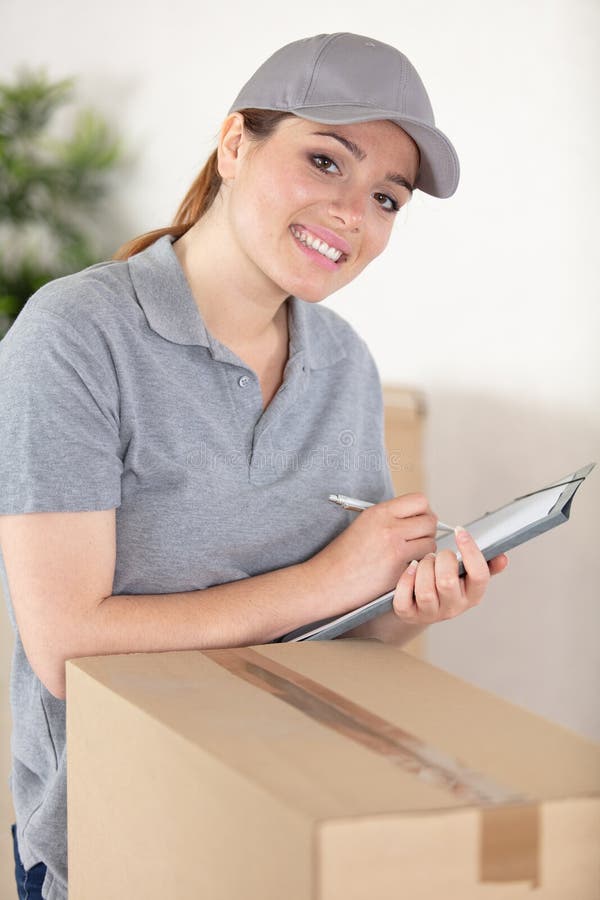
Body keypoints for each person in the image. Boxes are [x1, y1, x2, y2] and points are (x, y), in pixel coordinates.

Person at [0, 32, 508, 900]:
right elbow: (67, 647)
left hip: (287, 821)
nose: (352, 213)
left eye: (386, 197)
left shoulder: (343, 363)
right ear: (235, 144)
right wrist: (329, 579)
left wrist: (404, 607)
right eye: (325, 160)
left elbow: (337, 630)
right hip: (121, 835)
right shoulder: (76, 337)